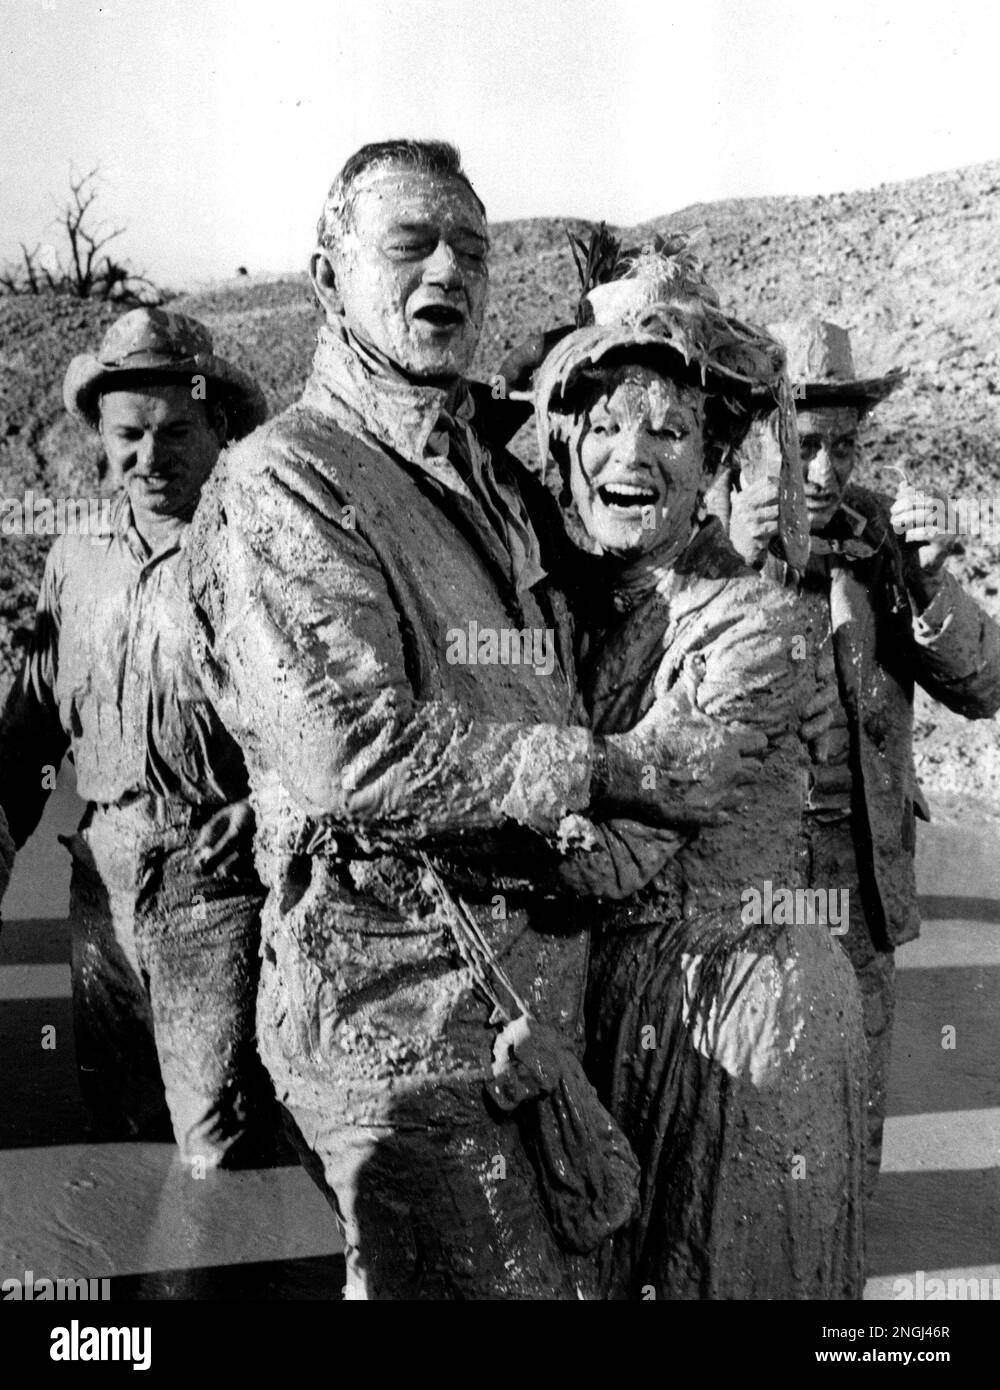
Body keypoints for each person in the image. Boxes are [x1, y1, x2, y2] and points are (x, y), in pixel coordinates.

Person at [184, 140, 761, 1299]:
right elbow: (350, 748)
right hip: (396, 1009)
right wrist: (614, 766)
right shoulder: (284, 480)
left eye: (474, 250)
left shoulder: (486, 477)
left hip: (522, 1006)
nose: (449, 269)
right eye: (409, 244)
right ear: (324, 275)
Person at [533, 244, 868, 1299]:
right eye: (604, 420)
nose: (629, 453)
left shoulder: (762, 625)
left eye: (670, 427)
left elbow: (639, 812)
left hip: (750, 1014)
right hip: (631, 1003)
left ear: (718, 454)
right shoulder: (577, 612)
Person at [727, 317, 1000, 1196]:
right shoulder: (713, 544)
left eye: (845, 446)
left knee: (852, 1151)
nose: (827, 471)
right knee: (754, 1149)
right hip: (752, 899)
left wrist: (927, 583)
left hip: (863, 894)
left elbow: (984, 686)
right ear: (759, 442)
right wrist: (743, 563)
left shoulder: (882, 540)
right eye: (806, 445)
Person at [0, 307, 274, 1168]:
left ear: (220, 427)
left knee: (215, 1151)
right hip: (99, 885)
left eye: (174, 432)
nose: (148, 458)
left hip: (216, 889)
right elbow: (31, 726)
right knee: (118, 1135)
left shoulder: (261, 554)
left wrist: (266, 807)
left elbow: (323, 730)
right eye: (128, 434)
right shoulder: (73, 557)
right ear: (101, 436)